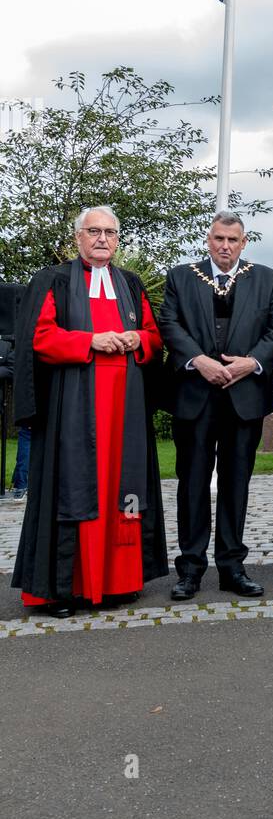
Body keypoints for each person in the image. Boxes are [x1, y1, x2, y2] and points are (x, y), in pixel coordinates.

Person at [11, 206, 167, 617]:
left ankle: (119, 582)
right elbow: (39, 337)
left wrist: (137, 338)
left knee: (126, 493)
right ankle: (63, 589)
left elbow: (154, 338)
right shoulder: (53, 280)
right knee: (73, 490)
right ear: (78, 237)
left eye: (110, 233)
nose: (102, 239)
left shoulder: (131, 285)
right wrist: (90, 342)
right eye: (93, 231)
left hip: (125, 411)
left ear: (118, 240)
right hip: (73, 407)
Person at [159, 211, 273, 599]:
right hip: (195, 397)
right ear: (208, 240)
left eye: (233, 240)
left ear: (244, 242)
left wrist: (253, 362)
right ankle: (190, 569)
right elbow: (169, 324)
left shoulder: (266, 278)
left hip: (244, 398)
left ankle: (232, 566)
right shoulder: (182, 276)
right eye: (218, 239)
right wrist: (200, 361)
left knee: (236, 485)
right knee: (193, 484)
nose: (225, 246)